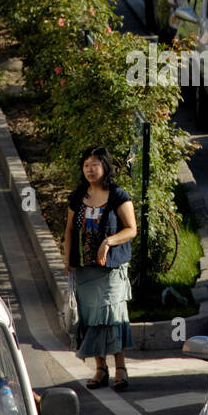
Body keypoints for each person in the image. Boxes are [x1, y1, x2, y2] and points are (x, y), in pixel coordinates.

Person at [64, 145, 137, 392]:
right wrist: (68, 262)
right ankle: (100, 368)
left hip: (111, 270)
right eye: (86, 165)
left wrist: (108, 242)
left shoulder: (118, 195)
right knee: (91, 319)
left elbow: (131, 229)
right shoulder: (78, 196)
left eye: (94, 164)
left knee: (113, 316)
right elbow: (70, 231)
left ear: (105, 166)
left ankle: (121, 369)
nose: (90, 170)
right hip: (85, 270)